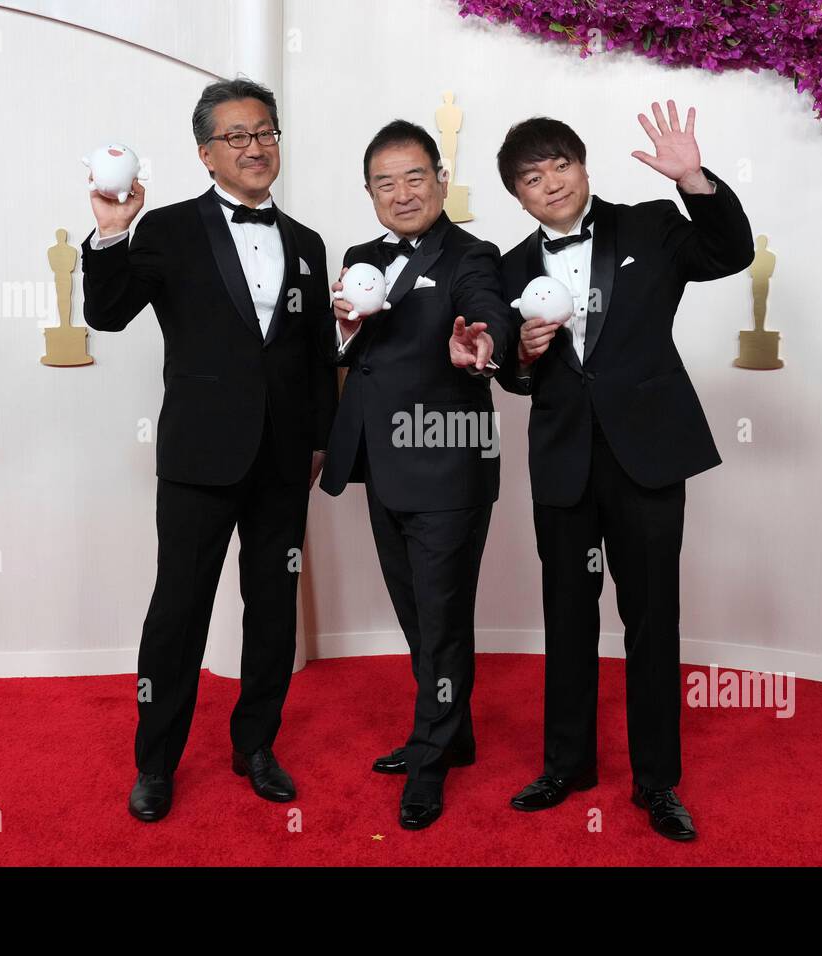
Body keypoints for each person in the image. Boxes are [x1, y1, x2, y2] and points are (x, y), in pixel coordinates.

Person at [494, 102, 755, 840]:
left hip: (646, 457)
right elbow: (510, 377)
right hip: (564, 464)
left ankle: (657, 783)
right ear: (518, 195)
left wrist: (695, 181)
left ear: (583, 166)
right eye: (532, 177)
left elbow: (729, 253)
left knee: (651, 619)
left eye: (560, 166)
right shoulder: (507, 268)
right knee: (567, 619)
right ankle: (566, 764)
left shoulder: (648, 225)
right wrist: (523, 354)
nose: (551, 184)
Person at [81, 77, 337, 822]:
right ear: (205, 153)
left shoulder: (309, 244)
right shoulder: (163, 230)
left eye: (265, 132)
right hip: (199, 456)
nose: (255, 147)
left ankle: (255, 745)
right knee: (178, 611)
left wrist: (320, 437)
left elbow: (318, 353)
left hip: (285, 461)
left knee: (271, 610)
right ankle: (155, 762)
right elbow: (107, 313)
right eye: (237, 136)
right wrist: (110, 234)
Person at [320, 120, 517, 830]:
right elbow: (350, 350)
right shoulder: (359, 255)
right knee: (416, 611)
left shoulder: (472, 253)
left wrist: (482, 341)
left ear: (438, 179)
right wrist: (343, 326)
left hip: (447, 462)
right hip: (381, 462)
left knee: (440, 619)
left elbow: (487, 309)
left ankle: (430, 757)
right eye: (385, 182)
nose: (401, 193)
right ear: (369, 191)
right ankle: (453, 733)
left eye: (414, 178)